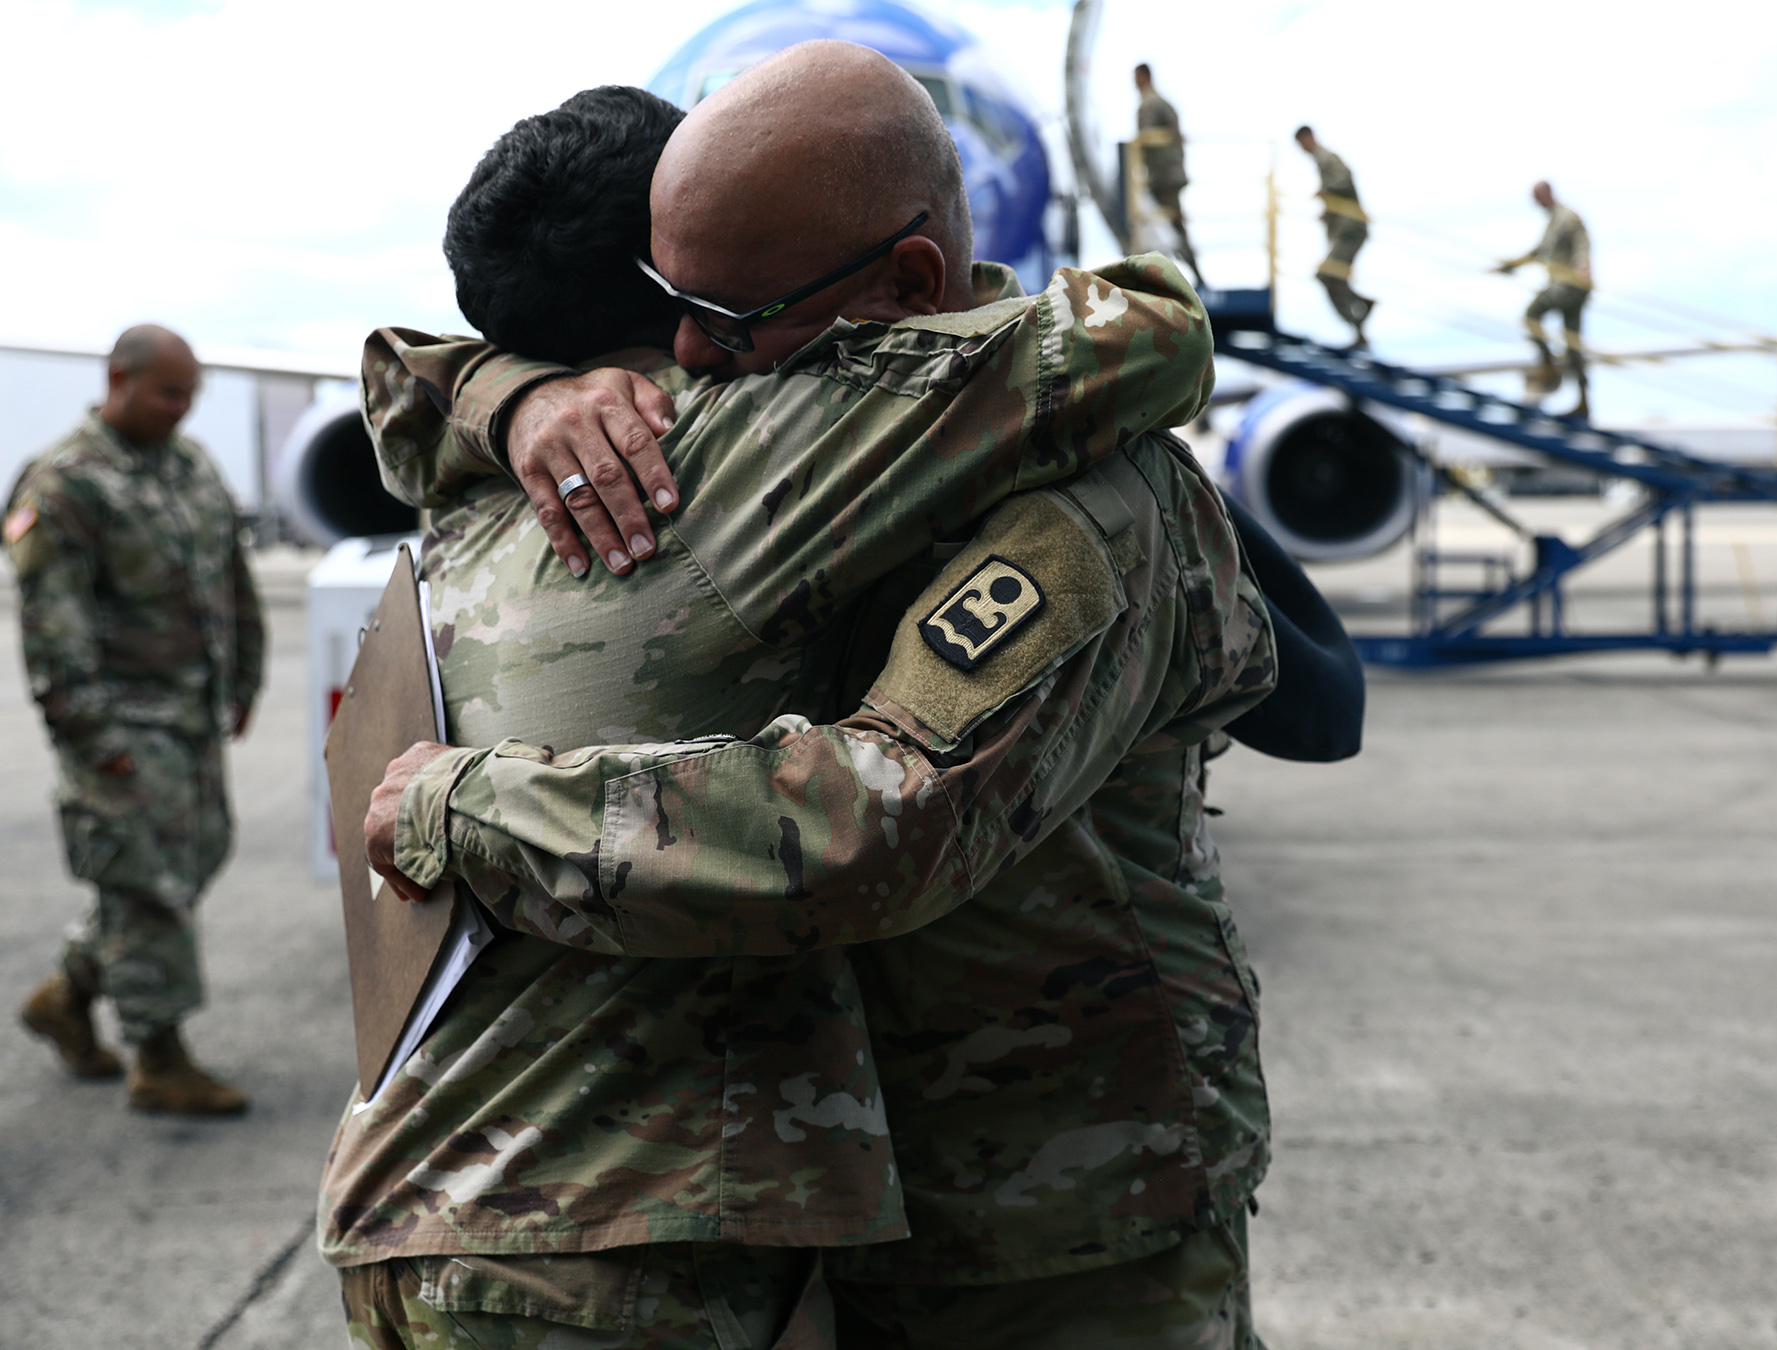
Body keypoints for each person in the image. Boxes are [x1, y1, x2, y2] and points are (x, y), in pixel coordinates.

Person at [358, 42, 1279, 1347]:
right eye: (670, 309)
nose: (689, 361)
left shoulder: (1084, 497)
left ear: (907, 285)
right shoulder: (790, 460)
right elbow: (413, 384)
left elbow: (876, 824)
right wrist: (518, 393)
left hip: (1067, 1202)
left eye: (728, 322)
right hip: (863, 1196)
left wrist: (464, 806)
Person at [10, 324, 261, 1117]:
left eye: (191, 395)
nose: (182, 408)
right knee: (149, 884)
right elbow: (52, 625)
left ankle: (67, 993)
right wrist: (91, 735)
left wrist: (244, 677)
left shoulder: (190, 465)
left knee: (194, 857)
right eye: (168, 393)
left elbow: (231, 576)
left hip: (191, 712)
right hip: (121, 721)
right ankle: (159, 1057)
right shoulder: (66, 483)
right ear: (118, 380)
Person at [1494, 180, 1594, 419]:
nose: (1537, 203)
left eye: (1538, 198)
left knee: (1532, 315)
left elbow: (1582, 243)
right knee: (1573, 344)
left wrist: (1583, 266)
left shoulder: (1566, 217)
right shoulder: (1552, 222)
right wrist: (1512, 265)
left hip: (1569, 285)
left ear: (1548, 194)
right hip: (1567, 285)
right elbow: (1538, 252)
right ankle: (1583, 401)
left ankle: (1548, 366)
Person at [1294, 125, 1373, 349]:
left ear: (1308, 138)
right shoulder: (1321, 159)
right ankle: (1359, 320)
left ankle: (1359, 312)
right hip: (1348, 227)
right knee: (1335, 278)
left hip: (1350, 228)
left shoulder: (1325, 157)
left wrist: (1326, 191)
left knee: (1327, 275)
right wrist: (1327, 212)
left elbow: (1345, 178)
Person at [1133, 62, 1203, 286]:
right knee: (1171, 227)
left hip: (1163, 176)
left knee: (1171, 227)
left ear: (1144, 76)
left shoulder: (1150, 104)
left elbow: (1146, 138)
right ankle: (1192, 275)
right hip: (1170, 173)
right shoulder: (1160, 102)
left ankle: (1194, 277)